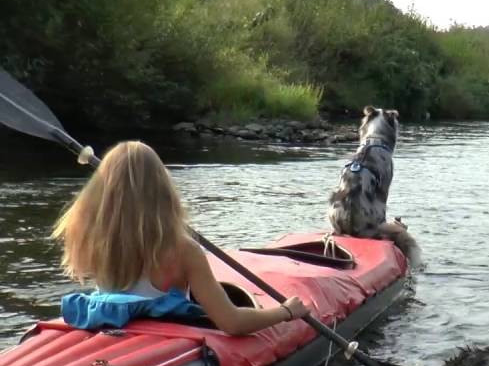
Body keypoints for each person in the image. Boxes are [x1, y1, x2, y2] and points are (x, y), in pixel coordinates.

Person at [51, 141, 308, 334]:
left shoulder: (88, 236)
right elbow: (231, 323)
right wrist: (285, 311)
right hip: (168, 344)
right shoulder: (183, 250)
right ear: (162, 189)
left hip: (112, 334)